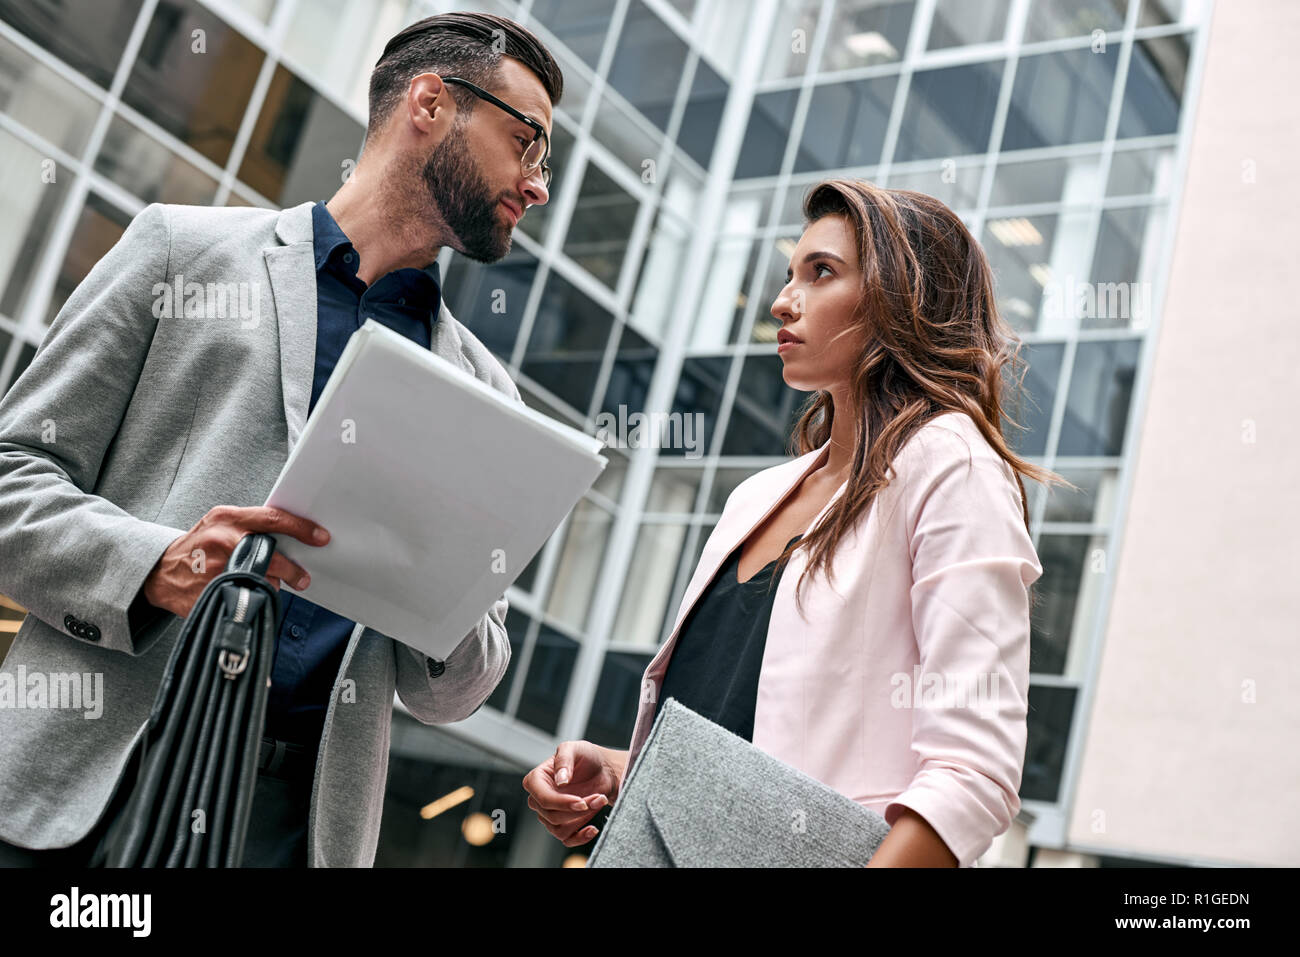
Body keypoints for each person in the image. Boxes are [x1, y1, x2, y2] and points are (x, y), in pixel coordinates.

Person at [0, 12, 563, 867]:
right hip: (87, 788)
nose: (538, 184)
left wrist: (438, 589)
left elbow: (461, 687)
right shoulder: (180, 252)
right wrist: (155, 565)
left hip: (293, 828)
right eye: (528, 142)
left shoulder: (486, 394)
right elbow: (13, 477)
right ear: (430, 102)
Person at [522, 178, 1073, 868]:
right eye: (790, 272)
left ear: (900, 297)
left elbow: (974, 773)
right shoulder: (759, 494)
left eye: (821, 273)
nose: (783, 300)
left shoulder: (952, 463)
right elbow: (748, 728)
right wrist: (627, 770)